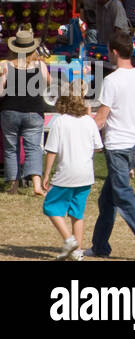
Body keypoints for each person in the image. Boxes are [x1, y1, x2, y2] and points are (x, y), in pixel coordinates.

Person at [90, 32, 135, 261]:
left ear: (113, 51)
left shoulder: (112, 80)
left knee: (122, 195)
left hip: (117, 144)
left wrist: (84, 132)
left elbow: (101, 119)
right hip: (133, 142)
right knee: (107, 199)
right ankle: (100, 246)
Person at [40, 84, 102, 261]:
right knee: (77, 213)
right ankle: (77, 252)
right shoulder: (89, 121)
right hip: (86, 174)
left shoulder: (60, 121)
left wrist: (46, 175)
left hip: (66, 173)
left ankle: (69, 240)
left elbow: (52, 150)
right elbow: (98, 147)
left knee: (50, 207)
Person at [1, 28, 52, 194]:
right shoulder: (41, 66)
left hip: (10, 110)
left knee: (11, 148)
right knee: (34, 148)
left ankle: (14, 185)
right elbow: (48, 85)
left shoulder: (5, 66)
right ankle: (36, 185)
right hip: (34, 111)